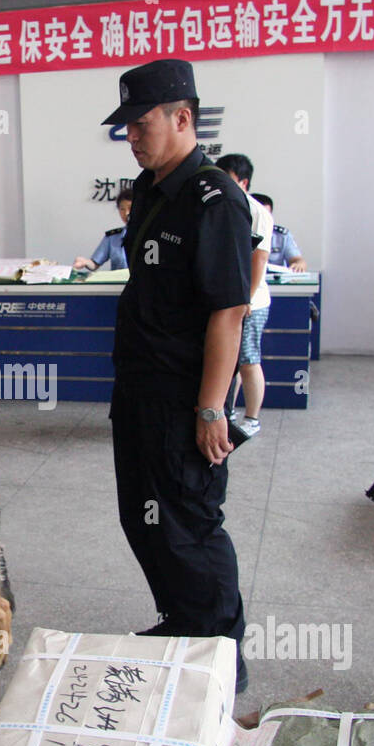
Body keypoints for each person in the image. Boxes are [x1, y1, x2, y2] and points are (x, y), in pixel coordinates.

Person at [102, 59, 253, 690]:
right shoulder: (152, 193)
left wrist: (212, 407)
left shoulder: (213, 198)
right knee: (143, 518)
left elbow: (229, 311)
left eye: (142, 125)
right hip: (139, 389)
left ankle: (220, 655)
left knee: (188, 526)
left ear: (182, 118)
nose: (132, 137)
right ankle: (180, 623)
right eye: (126, 127)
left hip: (183, 399)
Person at [217, 154, 273, 437]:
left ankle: (252, 419)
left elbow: (259, 261)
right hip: (228, 301)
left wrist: (246, 299)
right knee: (229, 360)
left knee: (248, 360)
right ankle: (228, 411)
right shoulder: (222, 208)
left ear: (244, 182)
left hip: (251, 302)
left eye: (228, 179)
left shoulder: (258, 213)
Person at [73, 187, 133, 273]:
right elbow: (95, 264)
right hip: (119, 285)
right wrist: (85, 262)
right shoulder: (112, 238)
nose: (126, 213)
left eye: (130, 208)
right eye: (122, 209)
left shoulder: (152, 235)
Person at [251, 192, 308, 272]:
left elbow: (297, 259)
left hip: (275, 283)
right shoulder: (237, 235)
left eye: (265, 216)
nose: (262, 221)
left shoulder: (281, 236)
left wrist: (299, 264)